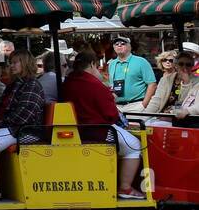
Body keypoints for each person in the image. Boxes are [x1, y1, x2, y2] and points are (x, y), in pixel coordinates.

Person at [62, 51, 145, 199]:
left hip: (78, 129)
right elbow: (111, 115)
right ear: (93, 64)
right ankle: (125, 188)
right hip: (98, 130)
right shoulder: (95, 85)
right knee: (134, 145)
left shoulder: (68, 81)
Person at [0, 51, 46, 202]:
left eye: (16, 62)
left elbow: (24, 115)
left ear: (26, 64)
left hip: (25, 130)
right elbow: (0, 108)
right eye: (11, 62)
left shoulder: (32, 85)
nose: (11, 65)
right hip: (10, 127)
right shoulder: (14, 84)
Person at [144, 49, 199, 118]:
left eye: (188, 65)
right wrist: (145, 116)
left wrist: (186, 83)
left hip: (182, 118)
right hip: (162, 116)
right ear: (176, 65)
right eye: (181, 64)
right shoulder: (165, 79)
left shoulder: (197, 82)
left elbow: (184, 102)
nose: (184, 67)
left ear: (192, 67)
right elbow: (156, 101)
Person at [108, 36, 158, 110]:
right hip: (116, 106)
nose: (119, 45)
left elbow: (152, 84)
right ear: (114, 47)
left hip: (136, 105)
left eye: (123, 43)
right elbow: (111, 85)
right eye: (116, 44)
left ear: (129, 47)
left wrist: (144, 104)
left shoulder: (141, 62)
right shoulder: (112, 64)